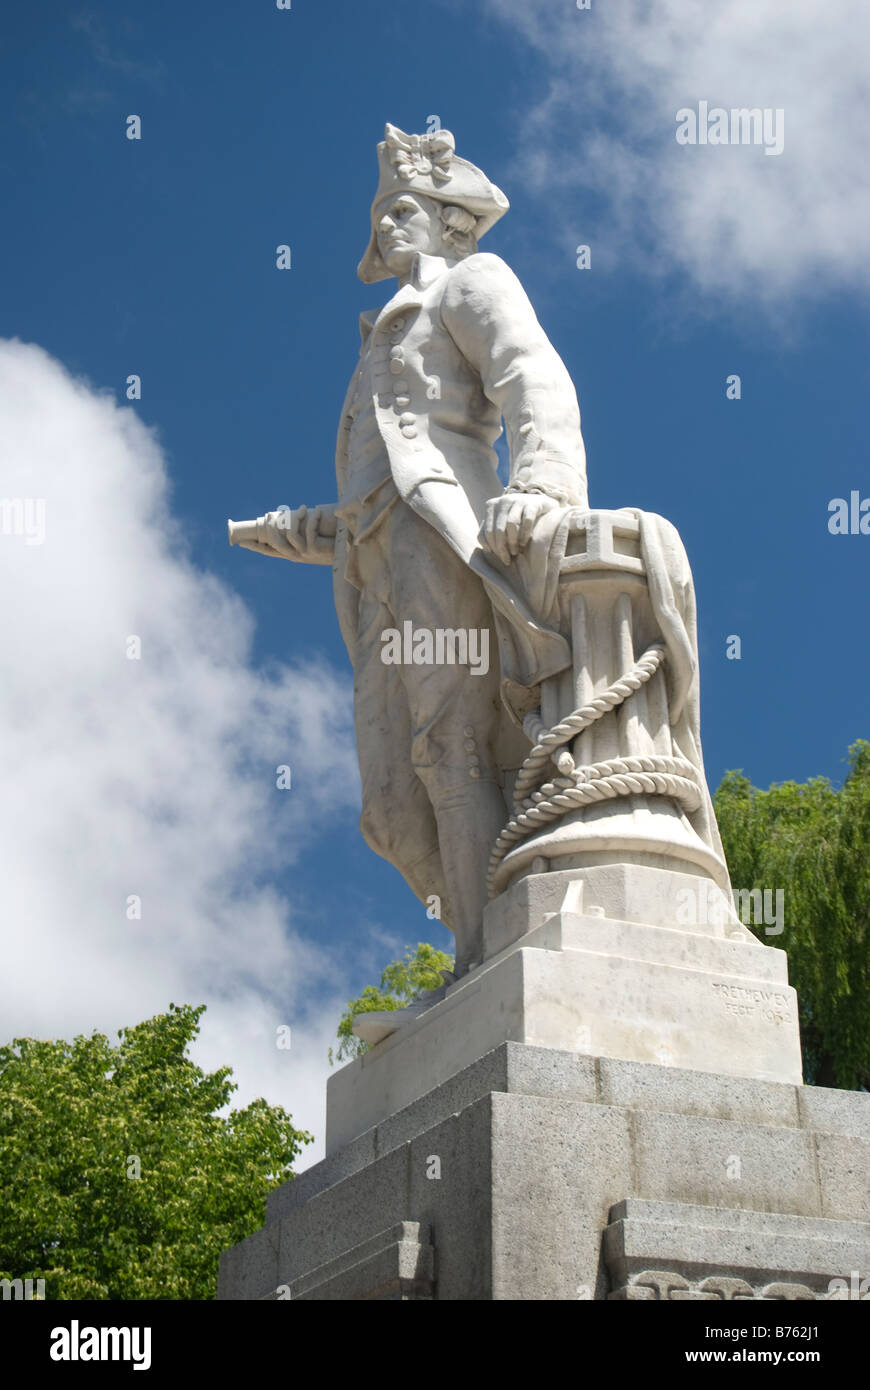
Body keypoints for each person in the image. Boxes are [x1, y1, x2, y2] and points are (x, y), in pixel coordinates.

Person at [232, 125, 587, 974]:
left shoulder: (472, 283)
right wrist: (278, 531)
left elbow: (532, 374)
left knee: (454, 750)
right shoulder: (373, 341)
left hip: (443, 548)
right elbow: (368, 493)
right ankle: (486, 938)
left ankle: (488, 961)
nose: (387, 228)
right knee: (389, 810)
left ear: (447, 222)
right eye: (379, 217)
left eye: (401, 212)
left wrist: (540, 486)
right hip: (371, 574)